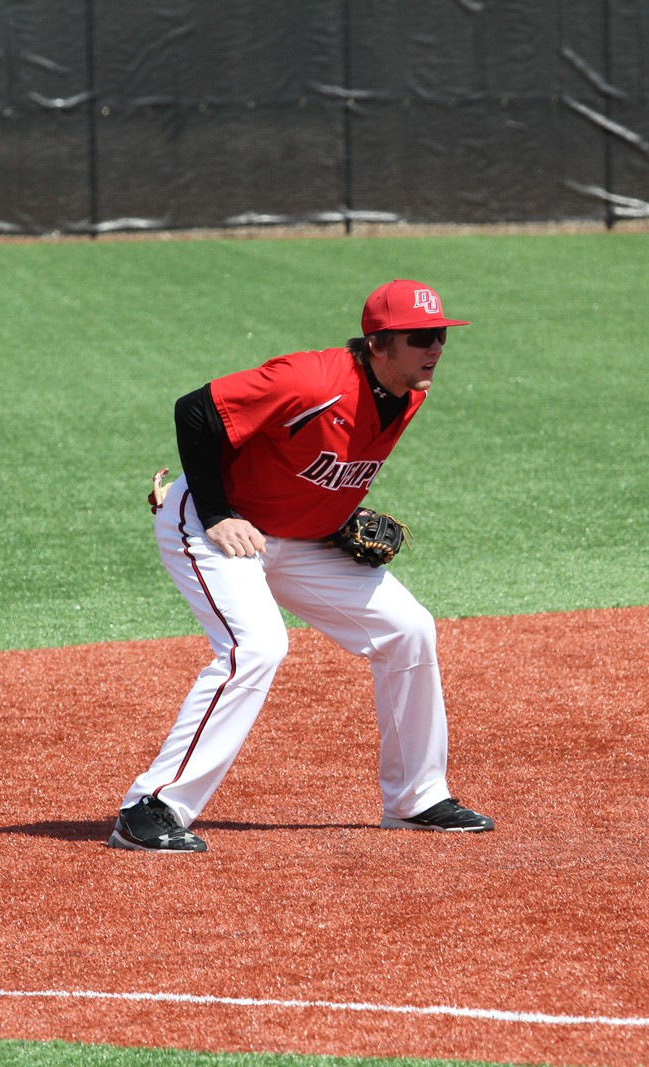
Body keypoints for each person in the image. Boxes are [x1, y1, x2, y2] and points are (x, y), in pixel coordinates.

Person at [109, 279, 495, 853]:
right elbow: (194, 411)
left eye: (440, 335)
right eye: (421, 338)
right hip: (216, 526)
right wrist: (215, 513)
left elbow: (314, 466)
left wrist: (337, 518)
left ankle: (416, 799)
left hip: (296, 539)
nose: (435, 348)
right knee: (258, 646)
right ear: (377, 344)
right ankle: (151, 806)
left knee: (408, 628)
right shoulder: (309, 379)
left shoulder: (409, 392)